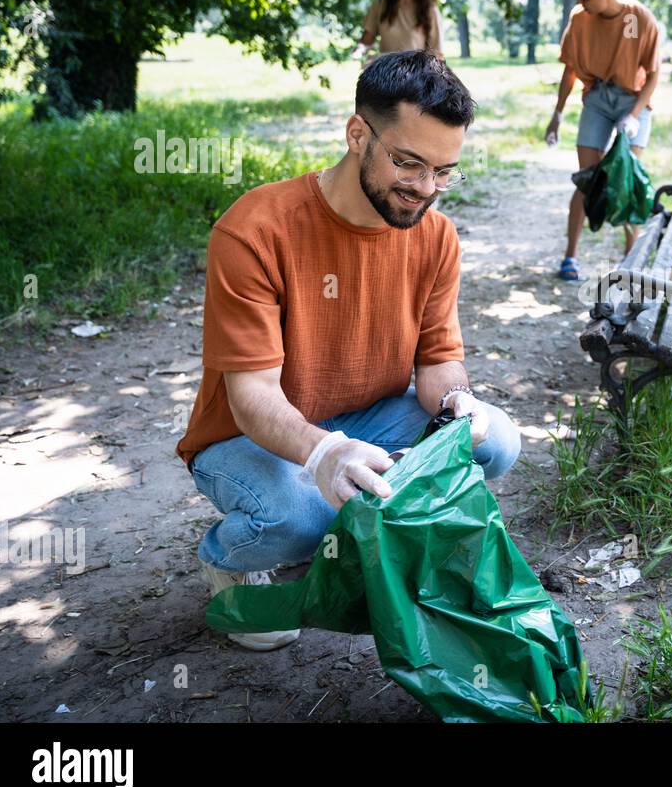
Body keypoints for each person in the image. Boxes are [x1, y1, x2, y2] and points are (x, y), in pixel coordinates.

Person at [176, 50, 520, 651]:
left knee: (494, 442)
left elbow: (439, 361)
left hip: (370, 415)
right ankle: (228, 559)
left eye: (445, 171)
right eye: (410, 163)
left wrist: (458, 404)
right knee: (299, 516)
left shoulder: (436, 236)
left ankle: (362, 531)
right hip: (246, 434)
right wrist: (324, 453)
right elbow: (252, 398)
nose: (426, 190)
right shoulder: (254, 230)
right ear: (358, 133)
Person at [544, 0, 662, 281]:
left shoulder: (638, 19)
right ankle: (570, 257)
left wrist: (634, 115)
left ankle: (630, 262)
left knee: (626, 181)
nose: (580, 2)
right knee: (588, 181)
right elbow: (569, 69)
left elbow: (654, 76)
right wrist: (557, 114)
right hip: (596, 98)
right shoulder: (580, 19)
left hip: (632, 101)